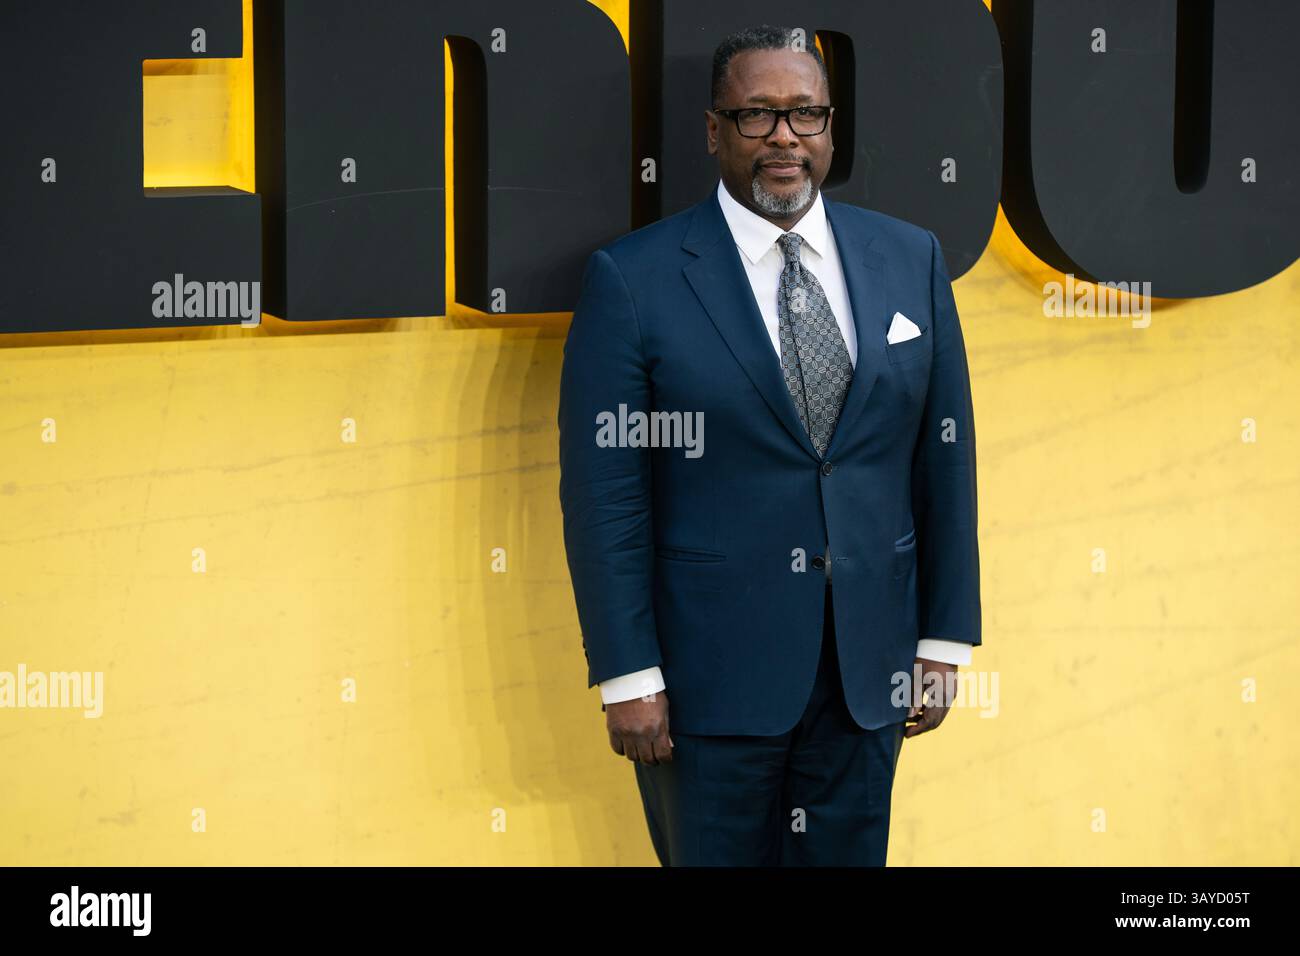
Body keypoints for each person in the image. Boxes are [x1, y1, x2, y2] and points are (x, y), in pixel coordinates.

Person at [558, 23, 981, 866]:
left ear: (830, 128)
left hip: (869, 674)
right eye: (756, 116)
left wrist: (942, 639)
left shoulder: (909, 259)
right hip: (707, 684)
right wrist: (629, 675)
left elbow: (946, 459)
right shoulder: (633, 280)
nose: (784, 136)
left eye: (805, 115)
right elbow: (606, 495)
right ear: (714, 131)